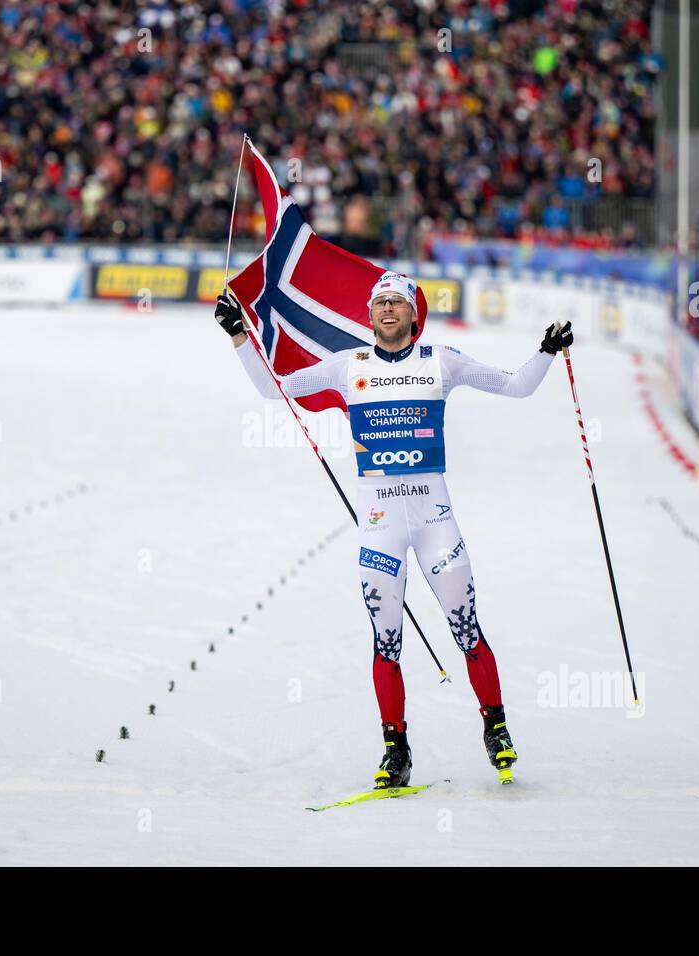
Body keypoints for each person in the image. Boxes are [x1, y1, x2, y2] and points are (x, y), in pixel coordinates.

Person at [215, 272, 571, 788]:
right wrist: (239, 336)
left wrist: (547, 350)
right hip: (380, 528)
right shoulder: (348, 366)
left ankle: (495, 726)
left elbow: (514, 386)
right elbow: (275, 390)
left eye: (396, 303)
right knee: (386, 643)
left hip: (435, 523)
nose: (387, 309)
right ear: (370, 312)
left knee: (466, 629)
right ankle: (395, 751)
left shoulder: (441, 361)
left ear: (412, 314)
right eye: (379, 302)